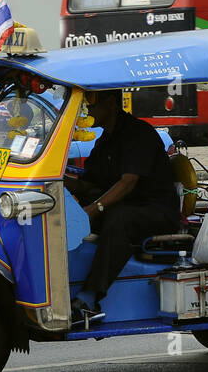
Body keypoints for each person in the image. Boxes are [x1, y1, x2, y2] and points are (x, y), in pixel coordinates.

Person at [65, 89, 178, 323]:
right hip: (128, 206)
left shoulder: (139, 134)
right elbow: (89, 185)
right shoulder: (105, 139)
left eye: (92, 102)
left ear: (111, 103)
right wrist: (59, 181)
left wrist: (93, 210)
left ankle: (88, 299)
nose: (88, 109)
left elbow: (128, 183)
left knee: (117, 218)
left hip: (156, 211)